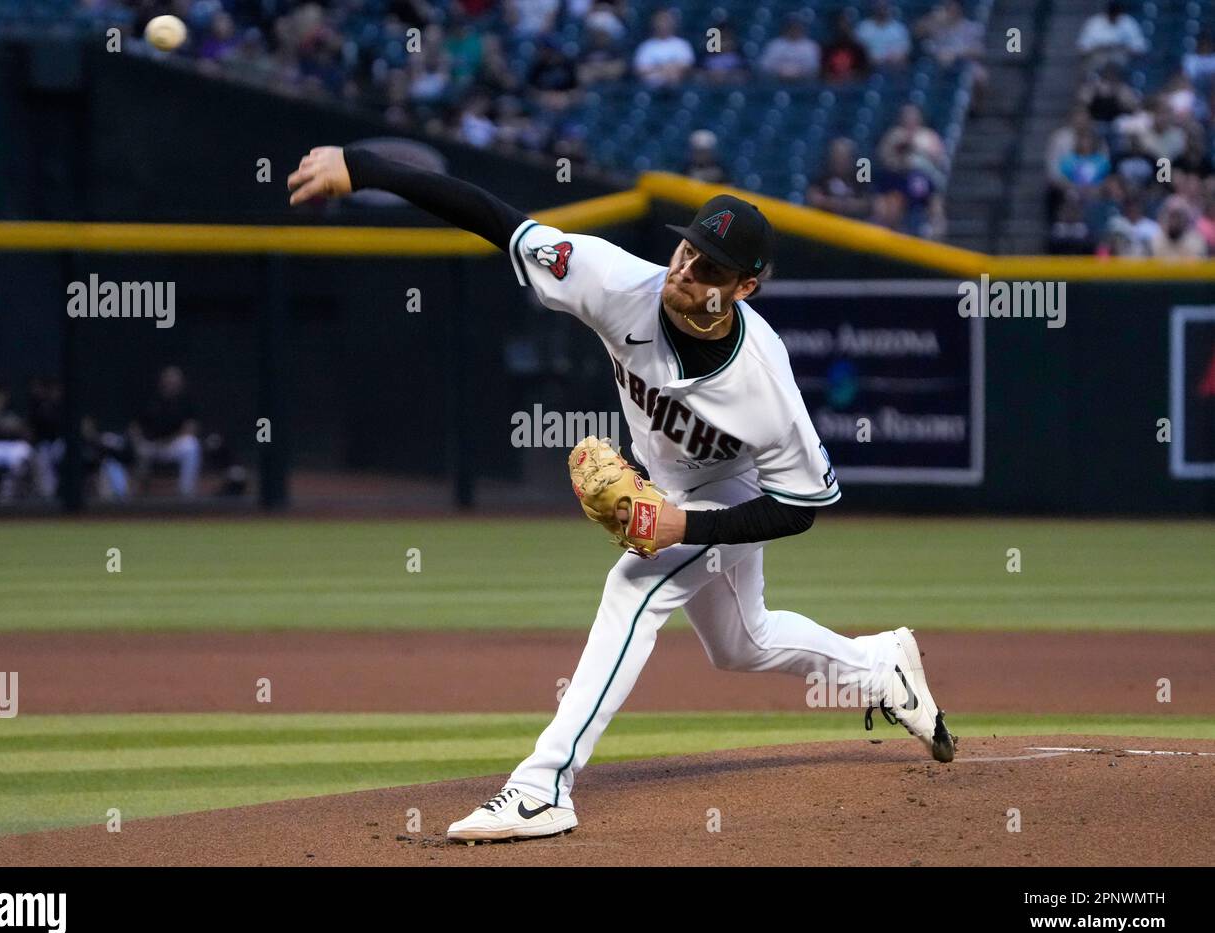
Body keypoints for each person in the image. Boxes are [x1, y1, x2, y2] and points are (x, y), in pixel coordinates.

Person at [287, 143, 958, 842]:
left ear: (745, 289)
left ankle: (543, 786)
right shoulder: (612, 280)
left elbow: (802, 508)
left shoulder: (765, 386)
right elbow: (496, 218)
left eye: (710, 267)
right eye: (688, 251)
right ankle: (879, 668)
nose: (687, 269)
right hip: (665, 479)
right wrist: (364, 168)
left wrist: (684, 528)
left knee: (634, 587)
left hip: (728, 488)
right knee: (741, 643)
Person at [130, 366, 202, 497]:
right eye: (168, 380)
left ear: (181, 383)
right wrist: (138, 440)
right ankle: (135, 496)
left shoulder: (185, 402)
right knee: (140, 449)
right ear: (161, 381)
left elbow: (191, 428)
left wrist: (168, 441)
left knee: (191, 446)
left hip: (172, 445)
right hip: (150, 445)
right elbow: (135, 426)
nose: (171, 383)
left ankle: (186, 494)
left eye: (174, 381)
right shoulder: (151, 399)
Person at [632, 8, 695, 88]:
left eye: (666, 20)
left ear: (673, 23)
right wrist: (663, 69)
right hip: (651, 89)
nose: (663, 24)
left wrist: (663, 70)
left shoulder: (682, 44)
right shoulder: (645, 46)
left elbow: (688, 66)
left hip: (677, 88)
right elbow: (640, 70)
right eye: (660, 20)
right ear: (653, 23)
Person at [1076, 1, 1148, 72]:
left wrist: (1121, 48)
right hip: (1099, 55)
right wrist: (1102, 48)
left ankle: (1117, 80)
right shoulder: (1094, 23)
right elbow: (1083, 47)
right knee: (1095, 62)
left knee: (1117, 60)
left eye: (1115, 14)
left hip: (1121, 55)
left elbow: (1141, 47)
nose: (1113, 16)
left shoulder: (1128, 22)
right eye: (1111, 14)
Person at [759, 15, 820, 81]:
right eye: (791, 27)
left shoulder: (810, 46)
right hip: (777, 81)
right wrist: (780, 71)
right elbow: (764, 65)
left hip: (803, 82)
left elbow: (814, 67)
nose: (794, 30)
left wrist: (798, 72)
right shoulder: (775, 45)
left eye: (796, 27)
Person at [855, 0, 911, 69]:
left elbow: (904, 54)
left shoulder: (898, 28)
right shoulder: (864, 28)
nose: (881, 9)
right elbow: (858, 53)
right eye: (879, 6)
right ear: (874, 7)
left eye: (884, 6)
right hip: (868, 69)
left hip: (893, 68)